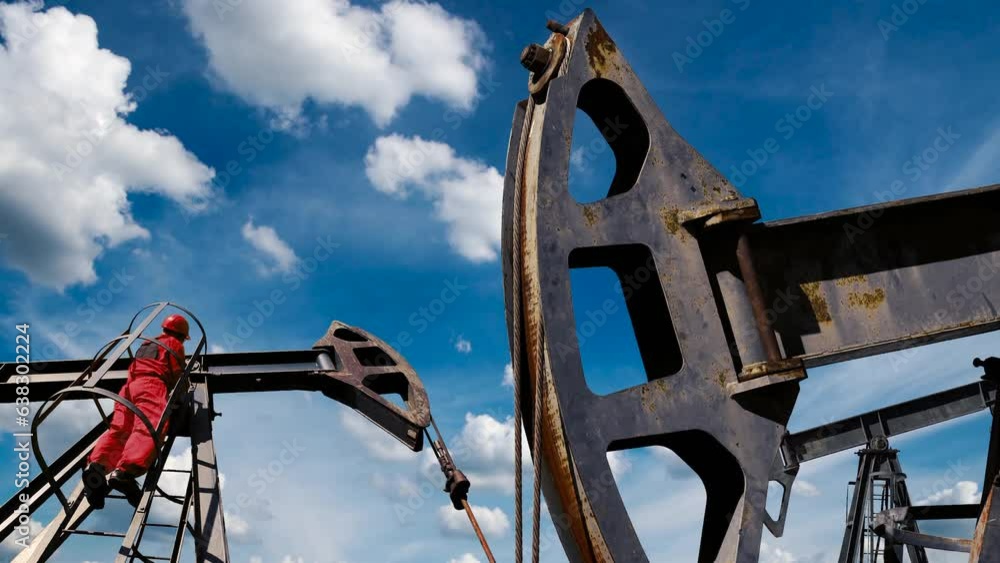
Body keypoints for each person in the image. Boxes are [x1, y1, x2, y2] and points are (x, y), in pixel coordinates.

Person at [82, 314, 189, 508]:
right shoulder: (175, 344)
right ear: (182, 335)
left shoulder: (148, 343)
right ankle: (125, 473)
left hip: (129, 387)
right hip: (152, 384)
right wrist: (182, 392)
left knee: (121, 429)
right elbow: (176, 375)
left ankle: (97, 466)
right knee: (150, 426)